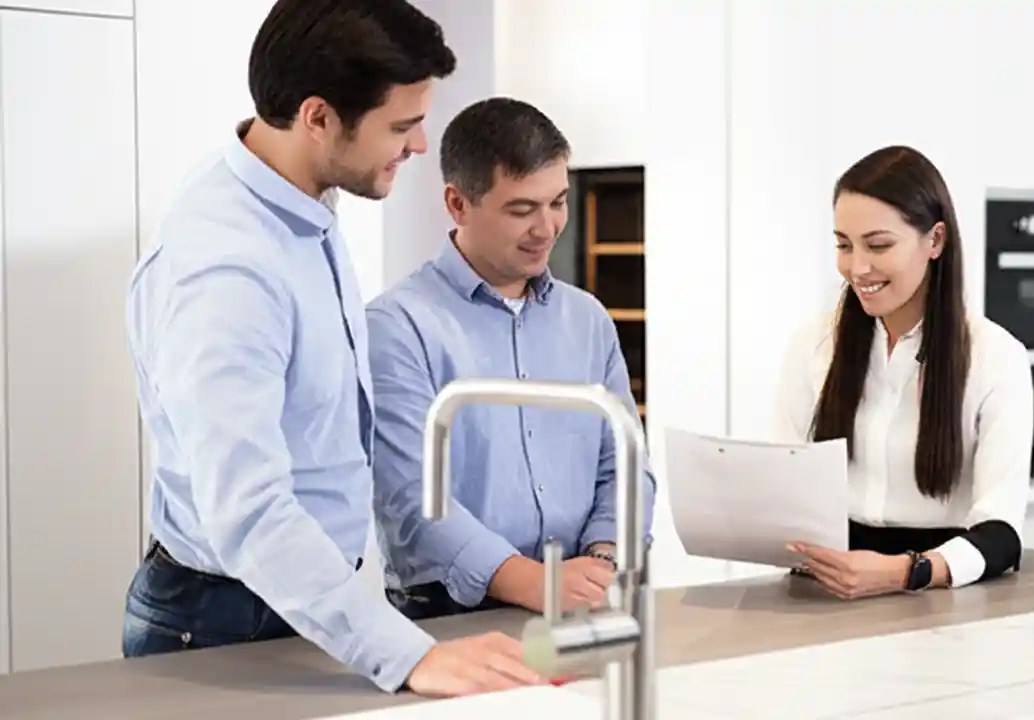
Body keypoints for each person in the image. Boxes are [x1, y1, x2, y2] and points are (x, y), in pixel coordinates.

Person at [123, 0, 541, 697]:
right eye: (402, 126)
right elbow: (247, 510)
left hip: (308, 603)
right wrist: (403, 652)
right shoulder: (227, 268)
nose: (417, 145)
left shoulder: (297, 202)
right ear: (318, 117)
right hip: (226, 620)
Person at [366, 97, 657, 621]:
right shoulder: (397, 326)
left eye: (558, 203)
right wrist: (533, 582)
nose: (546, 228)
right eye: (522, 209)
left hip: (580, 597)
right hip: (450, 613)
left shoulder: (587, 319)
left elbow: (625, 464)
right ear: (457, 204)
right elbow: (411, 497)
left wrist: (603, 558)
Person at [777, 145, 1033, 598]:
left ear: (935, 241)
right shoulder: (814, 346)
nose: (857, 267)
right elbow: (785, 482)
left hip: (941, 598)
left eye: (878, 245)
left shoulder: (996, 357)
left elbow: (1001, 535)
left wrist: (904, 572)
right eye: (843, 244)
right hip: (827, 591)